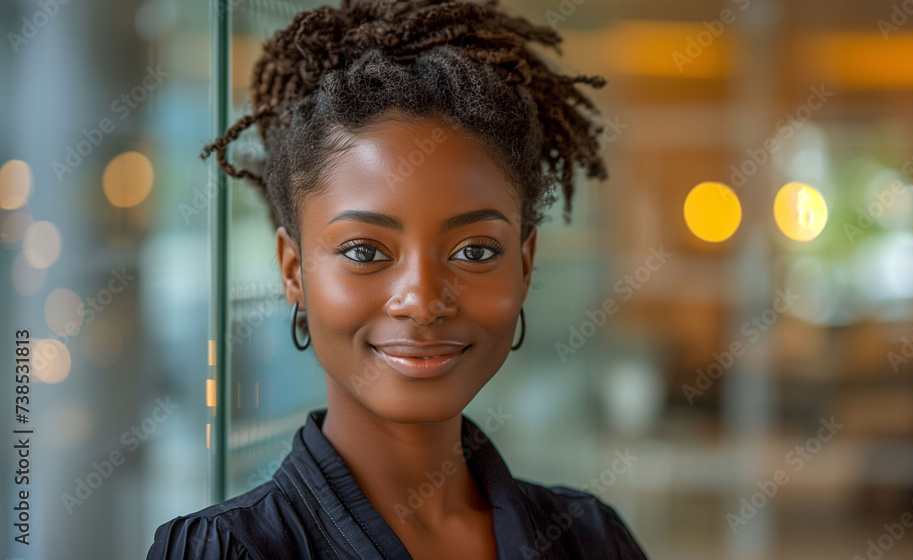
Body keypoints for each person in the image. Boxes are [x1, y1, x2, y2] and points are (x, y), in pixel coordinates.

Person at [147, 0, 648, 558]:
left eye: (475, 250)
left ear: (525, 266)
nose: (423, 301)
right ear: (294, 271)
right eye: (365, 251)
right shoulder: (230, 551)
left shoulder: (591, 540)